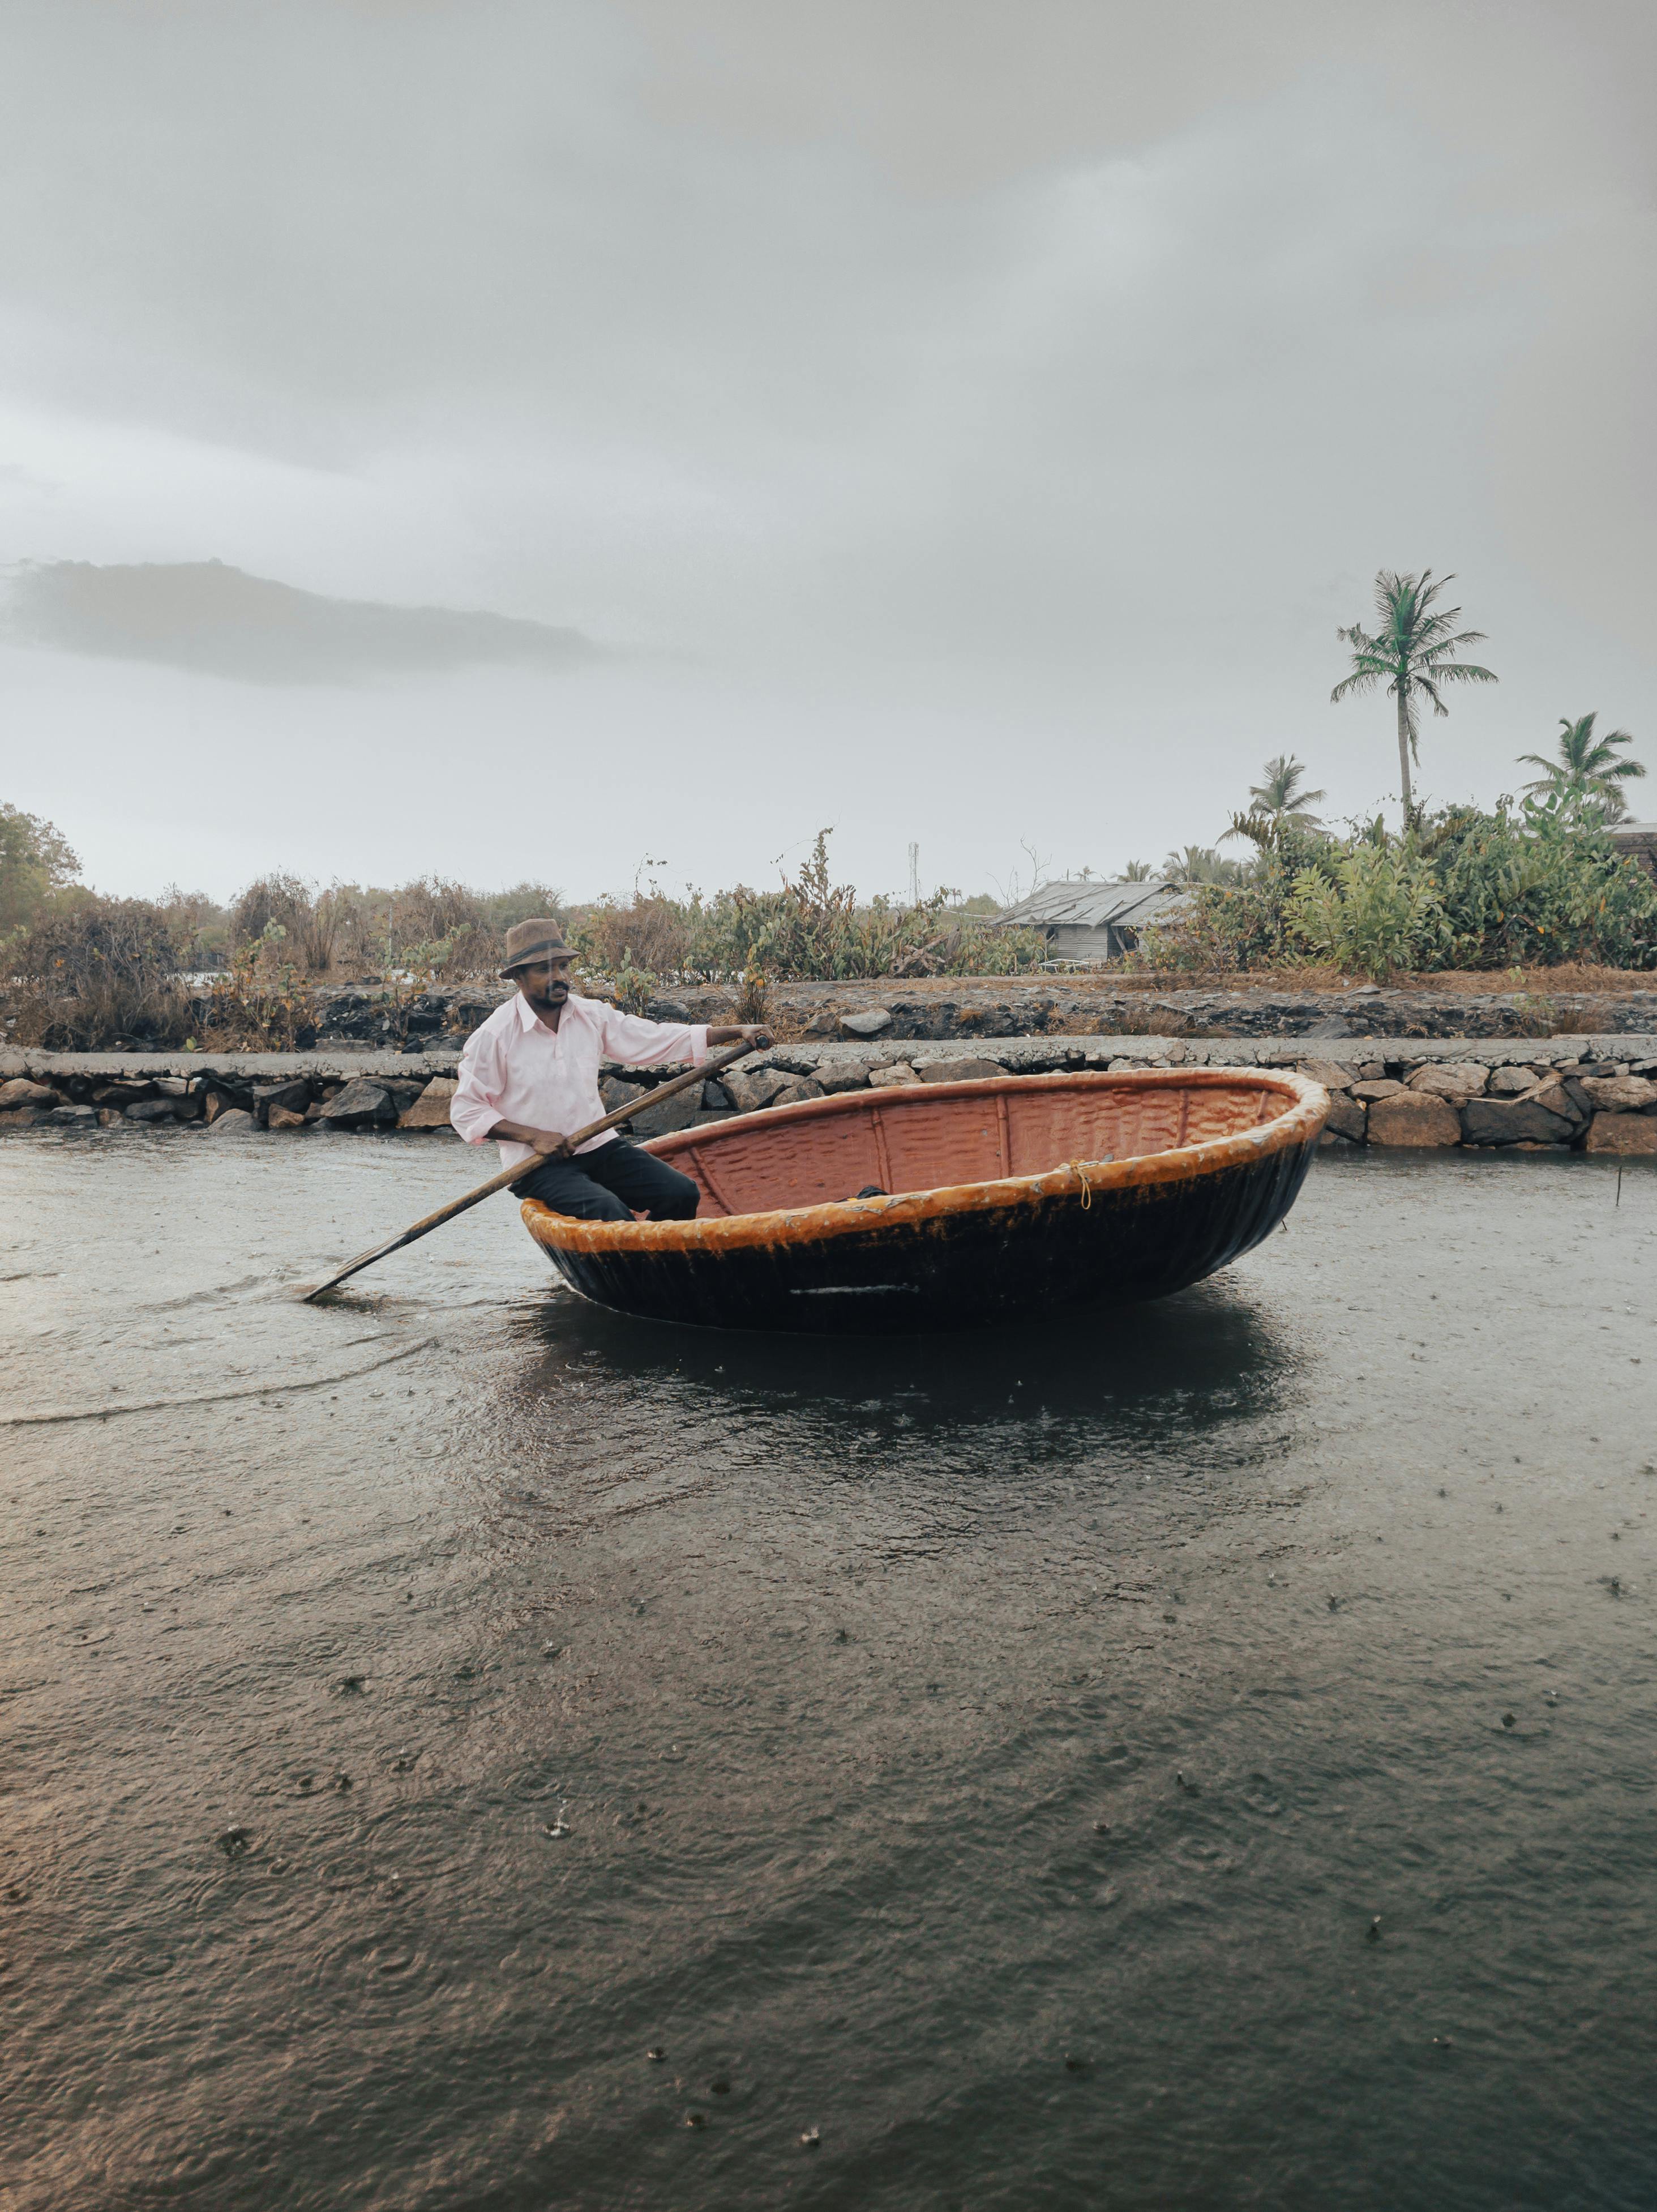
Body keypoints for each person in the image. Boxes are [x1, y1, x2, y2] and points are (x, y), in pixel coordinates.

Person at [449, 919, 771, 1222]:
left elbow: (655, 1038)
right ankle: (634, 1266)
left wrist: (736, 1031)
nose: (559, 977)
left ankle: (653, 1265)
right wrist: (534, 1137)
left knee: (680, 1193)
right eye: (544, 970)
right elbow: (467, 1111)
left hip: (597, 1145)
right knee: (609, 1211)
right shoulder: (495, 1036)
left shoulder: (591, 1015)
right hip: (538, 1165)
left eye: (562, 966)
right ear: (518, 978)